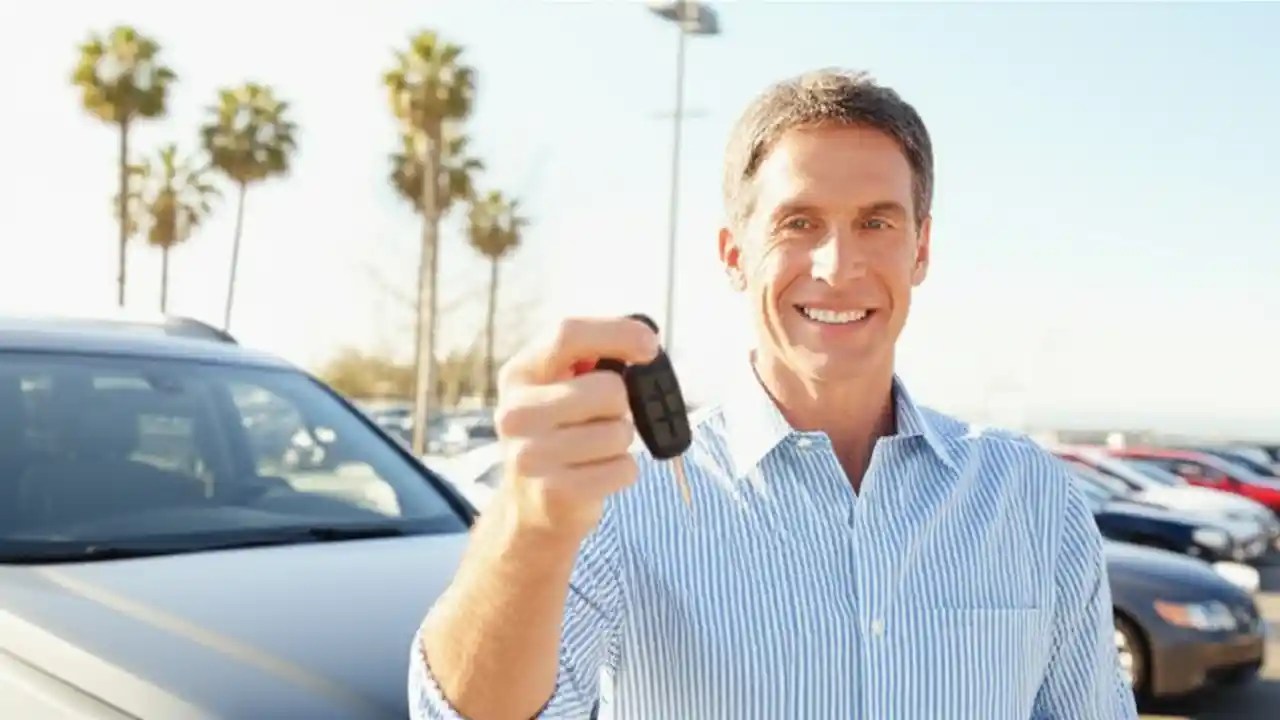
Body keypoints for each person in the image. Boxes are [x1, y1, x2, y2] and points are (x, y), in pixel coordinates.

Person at [409, 68, 1138, 719]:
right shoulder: (620, 499)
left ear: (920, 249)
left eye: (876, 223)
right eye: (799, 223)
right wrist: (527, 525)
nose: (837, 263)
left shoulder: (1034, 500)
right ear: (735, 255)